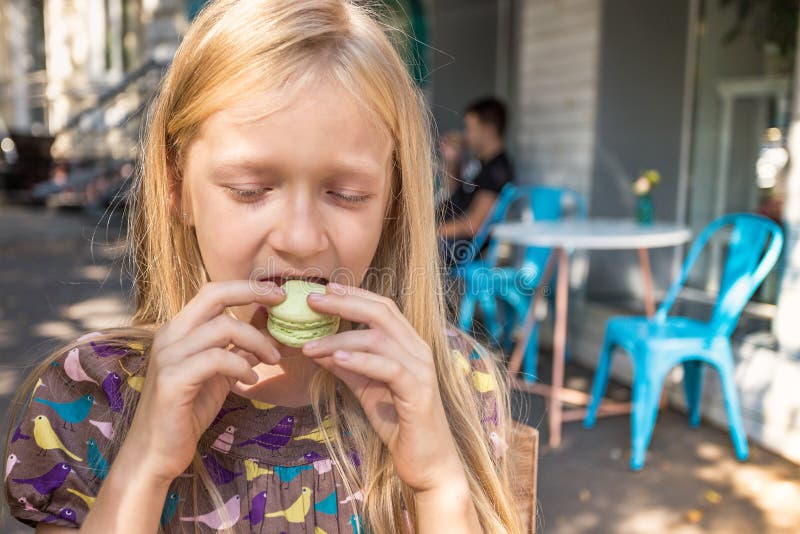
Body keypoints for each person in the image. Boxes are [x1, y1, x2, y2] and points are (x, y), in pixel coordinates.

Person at [1, 2, 523, 533]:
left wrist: (439, 484)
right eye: (250, 190)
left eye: (347, 195)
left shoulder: (453, 387)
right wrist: (143, 467)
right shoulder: (94, 398)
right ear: (176, 187)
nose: (300, 239)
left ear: (392, 201)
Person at [436, 97, 514, 269]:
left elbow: (474, 224)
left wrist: (428, 230)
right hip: (449, 236)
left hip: (464, 247)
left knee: (403, 246)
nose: (466, 134)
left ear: (488, 129)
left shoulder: (497, 170)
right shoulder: (479, 163)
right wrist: (451, 160)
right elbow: (454, 193)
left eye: (470, 128)